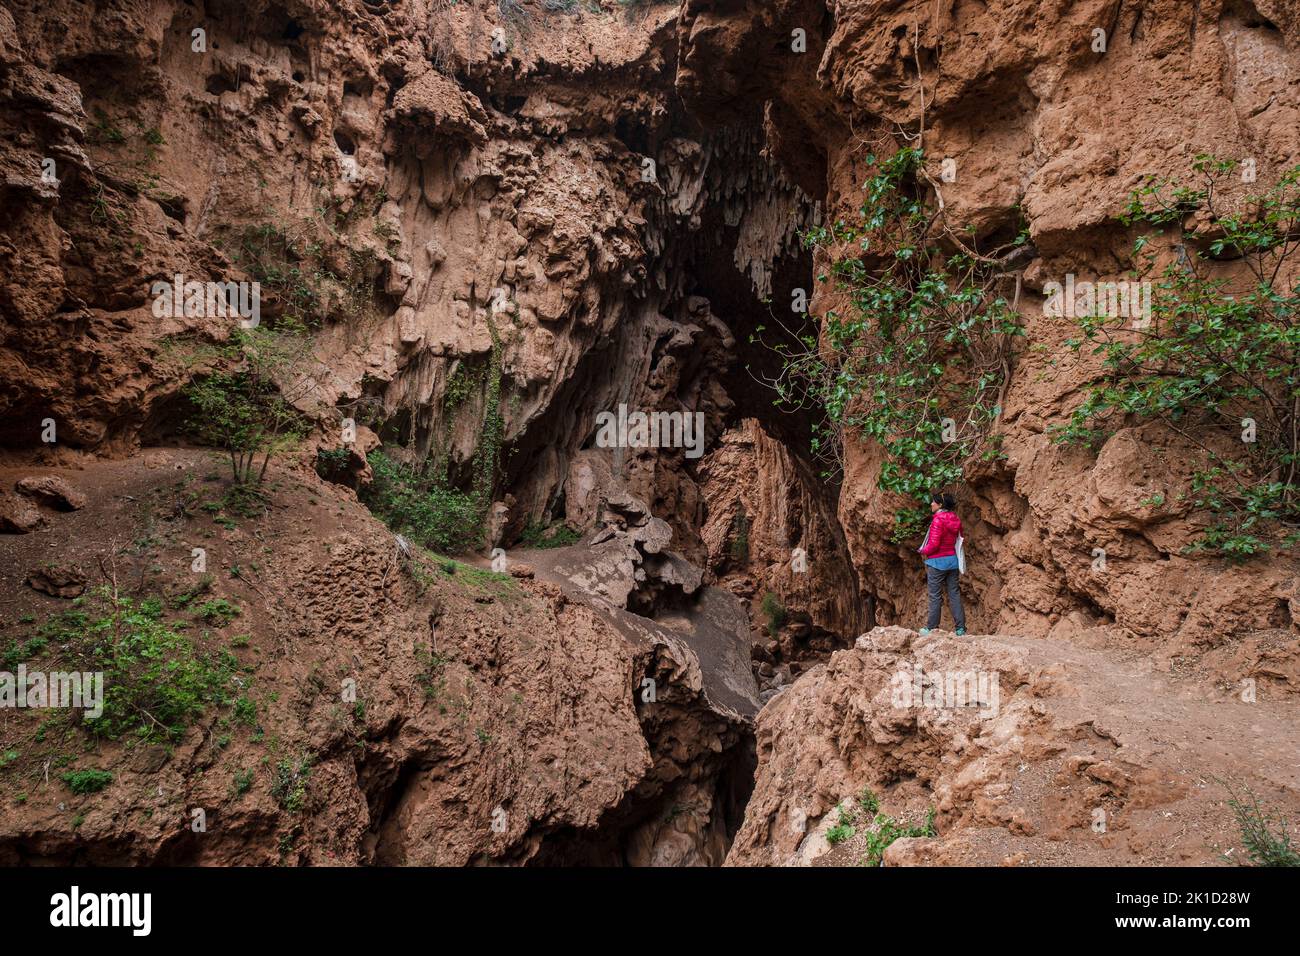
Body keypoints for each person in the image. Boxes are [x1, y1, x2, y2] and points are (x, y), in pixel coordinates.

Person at [918, 491, 966, 636]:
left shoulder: (938, 520)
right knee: (954, 594)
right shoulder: (955, 519)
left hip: (937, 562)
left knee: (935, 596)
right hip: (952, 561)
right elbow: (959, 538)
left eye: (933, 501)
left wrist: (922, 550)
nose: (931, 504)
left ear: (940, 505)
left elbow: (933, 544)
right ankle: (960, 629)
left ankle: (931, 628)